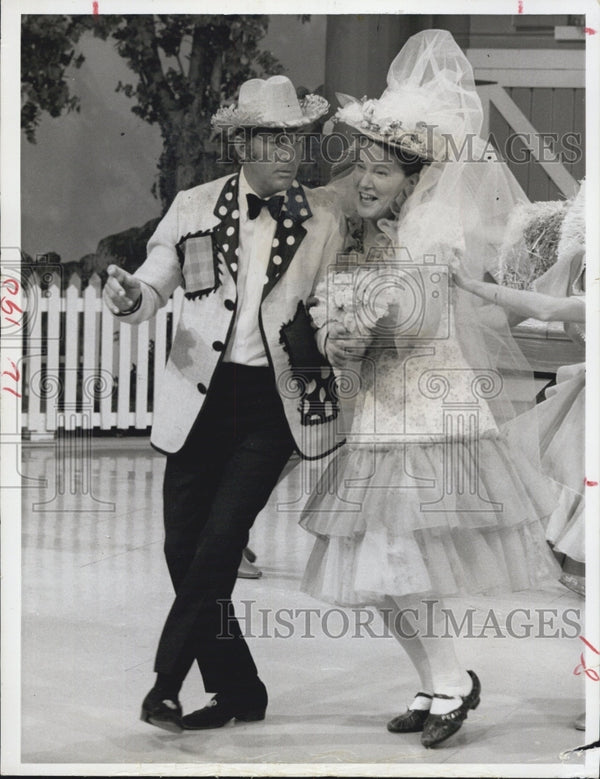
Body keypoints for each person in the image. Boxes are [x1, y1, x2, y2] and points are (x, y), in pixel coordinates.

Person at [300, 30, 560, 749]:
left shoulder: (431, 228)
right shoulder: (376, 234)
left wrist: (353, 329)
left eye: (385, 169)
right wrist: (337, 331)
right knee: (379, 568)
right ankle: (435, 680)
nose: (369, 181)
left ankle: (450, 682)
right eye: (364, 168)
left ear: (417, 176)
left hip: (427, 412)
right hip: (386, 409)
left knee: (397, 559)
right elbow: (366, 318)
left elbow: (413, 321)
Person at [103, 74, 346, 732]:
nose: (288, 152)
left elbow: (326, 302)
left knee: (220, 540)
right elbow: (157, 276)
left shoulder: (322, 219)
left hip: (272, 404)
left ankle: (164, 683)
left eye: (295, 139)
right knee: (184, 549)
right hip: (196, 396)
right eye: (272, 139)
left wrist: (339, 328)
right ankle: (240, 687)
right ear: (242, 143)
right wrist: (133, 297)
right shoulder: (193, 205)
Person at [453, 181, 586, 597]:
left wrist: (470, 284)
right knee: (555, 458)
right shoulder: (578, 261)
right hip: (589, 387)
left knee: (574, 460)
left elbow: (548, 310)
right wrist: (448, 315)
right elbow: (502, 317)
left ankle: (581, 563)